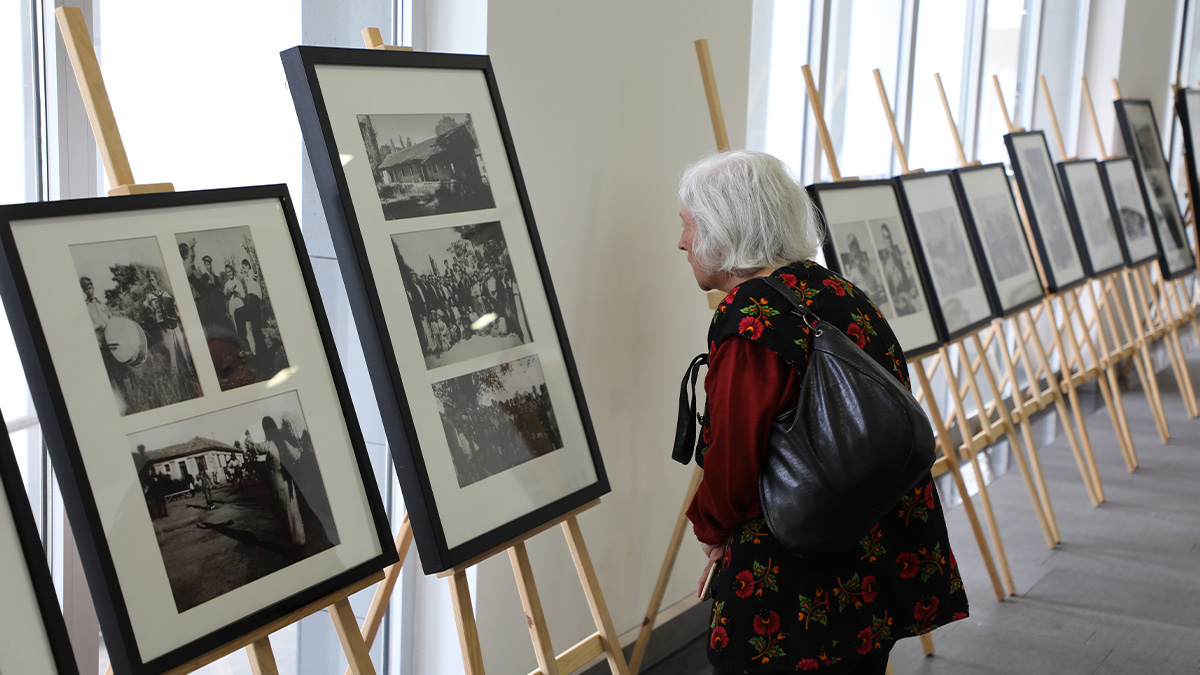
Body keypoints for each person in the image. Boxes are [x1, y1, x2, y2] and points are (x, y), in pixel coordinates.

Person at [675, 151, 968, 674]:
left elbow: (735, 460)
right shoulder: (832, 289)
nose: (681, 243)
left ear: (723, 230)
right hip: (871, 545)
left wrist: (712, 531)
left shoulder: (751, 319)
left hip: (799, 564)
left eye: (688, 226)